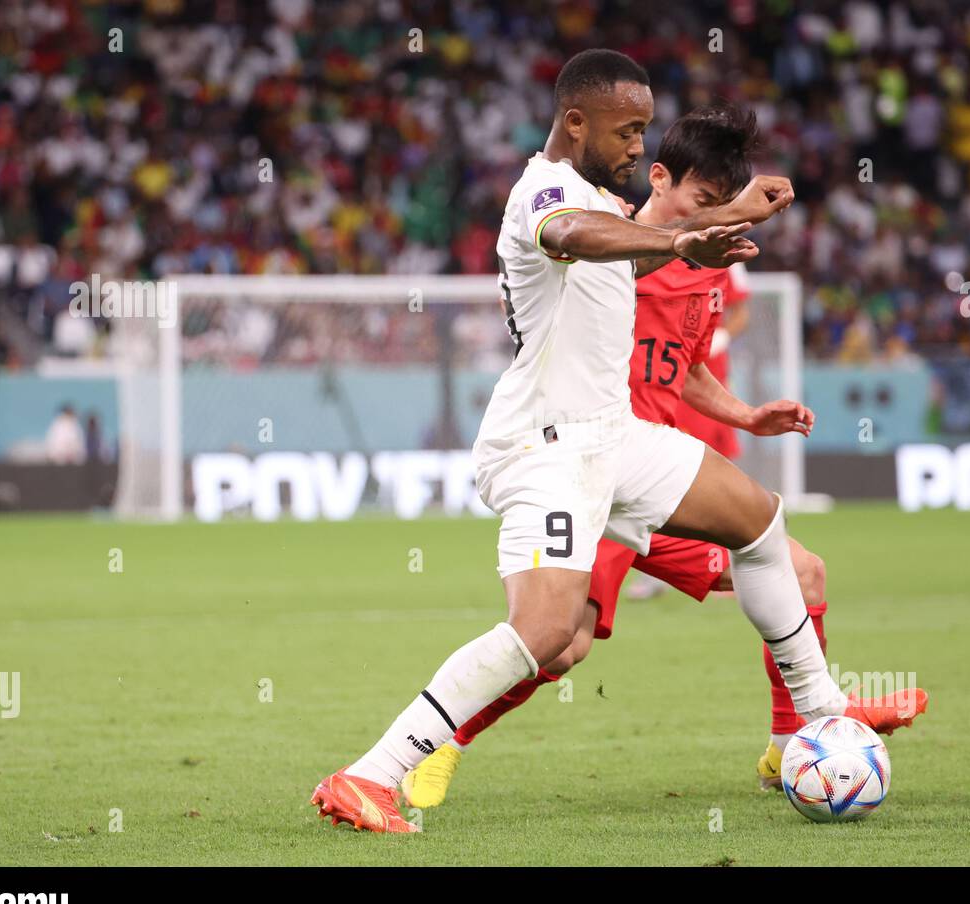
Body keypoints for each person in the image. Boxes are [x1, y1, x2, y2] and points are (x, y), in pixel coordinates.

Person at [310, 49, 927, 833]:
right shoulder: (547, 193)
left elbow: (619, 260)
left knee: (761, 524)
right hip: (548, 446)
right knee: (546, 636)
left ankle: (822, 715)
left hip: (615, 435)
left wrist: (719, 219)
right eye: (628, 130)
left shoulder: (601, 200)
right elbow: (575, 235)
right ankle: (371, 774)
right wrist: (683, 240)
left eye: (643, 129)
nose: (640, 146)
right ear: (576, 122)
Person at [400, 106, 837, 809]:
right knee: (561, 644)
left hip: (660, 479)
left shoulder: (707, 266)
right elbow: (576, 254)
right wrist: (679, 238)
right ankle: (442, 741)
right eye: (702, 205)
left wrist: (746, 416)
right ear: (658, 178)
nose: (713, 224)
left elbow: (685, 369)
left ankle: (797, 745)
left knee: (800, 567)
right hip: (586, 473)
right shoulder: (617, 245)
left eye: (722, 212)